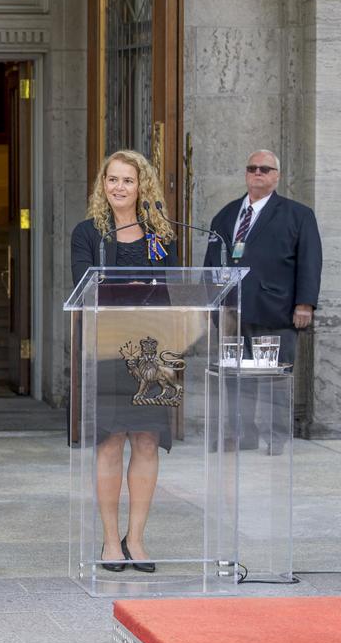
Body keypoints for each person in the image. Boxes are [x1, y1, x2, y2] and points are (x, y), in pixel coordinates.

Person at [70, 149, 179, 573]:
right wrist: (132, 289)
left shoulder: (160, 234)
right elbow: (84, 286)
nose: (119, 187)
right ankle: (110, 540)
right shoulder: (89, 234)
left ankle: (136, 538)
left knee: (147, 441)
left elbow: (170, 290)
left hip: (154, 347)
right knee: (111, 441)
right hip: (108, 348)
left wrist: (134, 290)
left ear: (141, 186)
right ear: (103, 185)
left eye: (128, 180)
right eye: (112, 179)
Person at [204, 150, 322, 452]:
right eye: (252, 168)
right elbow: (210, 262)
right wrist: (211, 302)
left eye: (265, 169)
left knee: (275, 378)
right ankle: (242, 435)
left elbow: (310, 261)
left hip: (276, 309)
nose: (258, 172)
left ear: (277, 176)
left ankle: (276, 437)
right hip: (232, 311)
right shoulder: (226, 214)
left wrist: (305, 303)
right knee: (234, 378)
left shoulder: (298, 214)